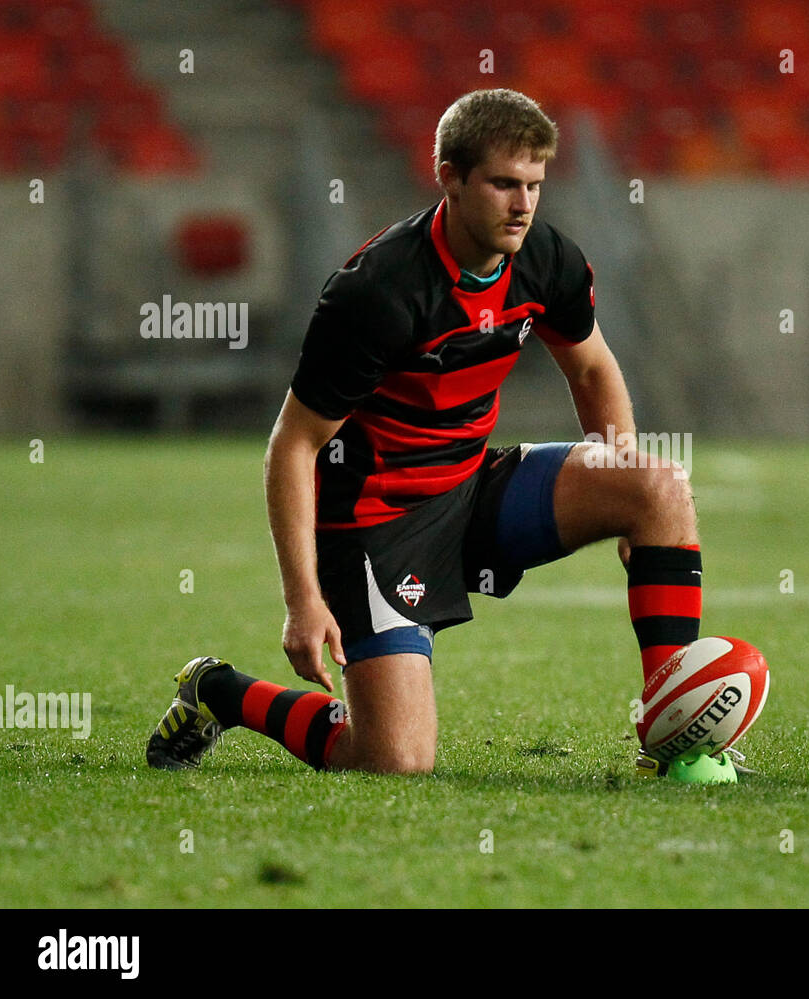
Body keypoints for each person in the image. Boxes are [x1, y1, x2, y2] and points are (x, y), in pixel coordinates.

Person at [146, 88, 740, 784]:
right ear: (450, 178)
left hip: (471, 485)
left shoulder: (545, 257)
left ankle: (674, 741)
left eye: (534, 185)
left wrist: (623, 481)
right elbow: (294, 444)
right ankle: (220, 690)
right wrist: (302, 601)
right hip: (376, 525)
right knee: (394, 760)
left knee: (658, 486)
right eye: (502, 184)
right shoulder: (377, 293)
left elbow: (592, 366)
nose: (522, 204)